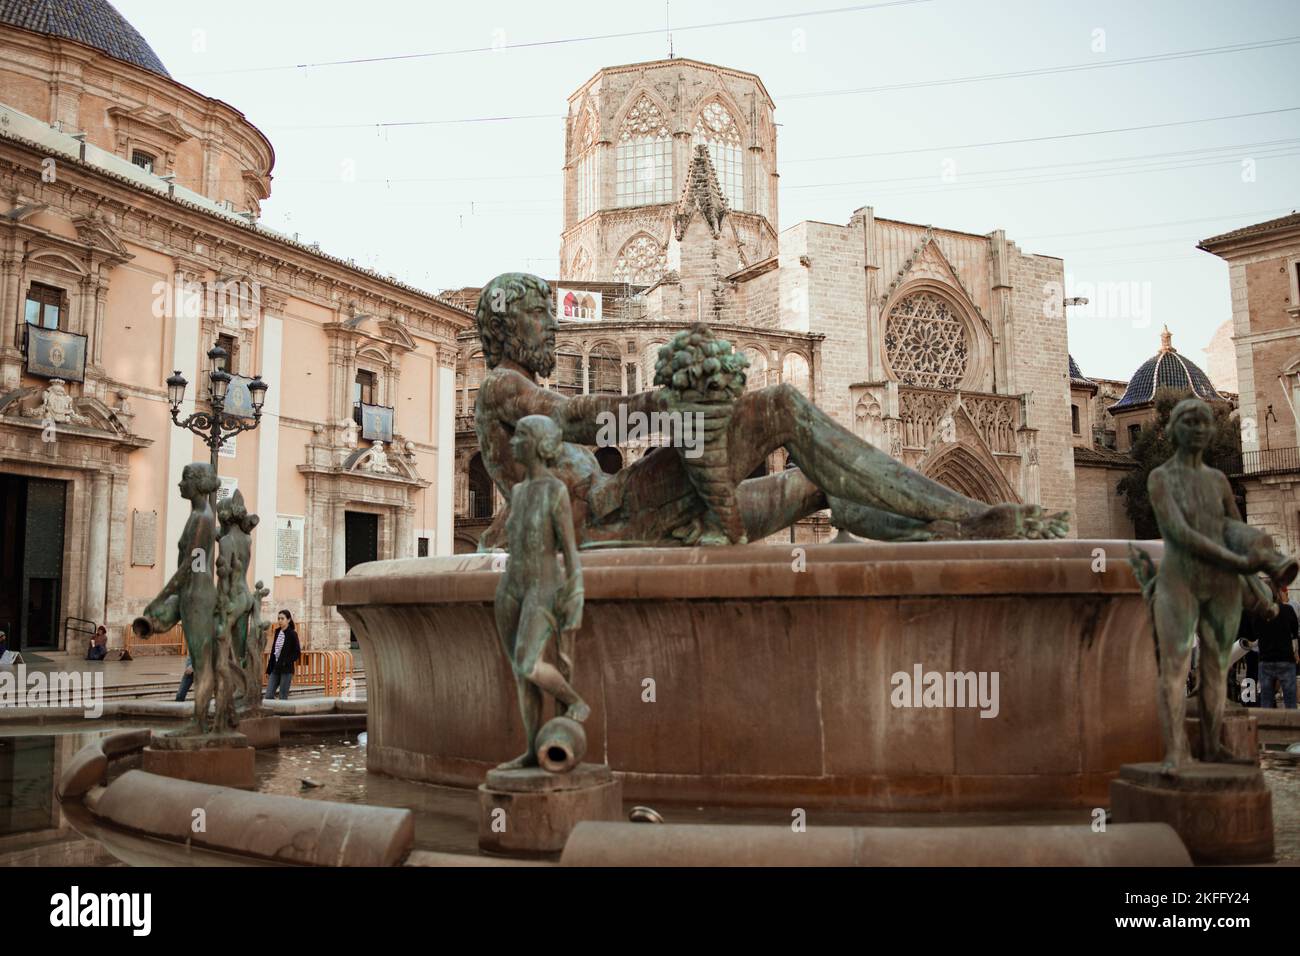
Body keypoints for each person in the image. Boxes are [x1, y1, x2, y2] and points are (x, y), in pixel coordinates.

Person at [1257, 583, 1299, 708]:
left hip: (1266, 659)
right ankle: (1292, 727)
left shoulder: (1259, 612)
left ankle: (1265, 726)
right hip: (1285, 659)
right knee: (1290, 702)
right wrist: (1296, 653)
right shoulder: (1288, 610)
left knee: (1266, 702)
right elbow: (1294, 633)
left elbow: (1255, 632)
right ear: (1278, 594)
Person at [264, 610, 300, 700]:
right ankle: (273, 711)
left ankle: (282, 713)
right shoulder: (277, 632)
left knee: (282, 697)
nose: (280, 621)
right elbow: (273, 652)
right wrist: (269, 670)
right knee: (268, 695)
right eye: (278, 618)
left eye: (282, 618)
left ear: (288, 620)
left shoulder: (292, 634)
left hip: (286, 670)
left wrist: (285, 662)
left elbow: (297, 653)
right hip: (275, 668)